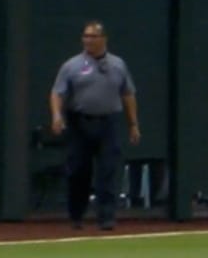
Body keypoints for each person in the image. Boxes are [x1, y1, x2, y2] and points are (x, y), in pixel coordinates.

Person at [49, 21, 140, 231]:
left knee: (108, 169)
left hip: (108, 121)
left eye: (93, 36)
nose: (88, 40)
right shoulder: (72, 65)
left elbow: (127, 94)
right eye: (86, 36)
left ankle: (106, 217)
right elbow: (57, 92)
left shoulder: (118, 65)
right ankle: (76, 215)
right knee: (79, 170)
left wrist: (133, 124)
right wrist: (57, 115)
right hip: (80, 122)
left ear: (103, 39)